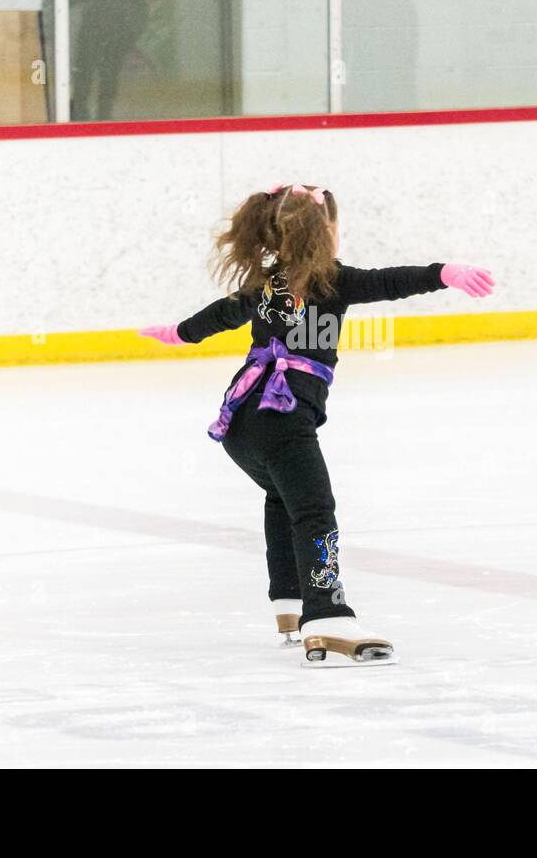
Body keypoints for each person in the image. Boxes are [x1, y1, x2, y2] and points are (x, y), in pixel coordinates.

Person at [139, 183, 495, 664]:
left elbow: (223, 314)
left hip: (241, 424)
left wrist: (181, 333)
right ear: (326, 231)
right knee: (314, 510)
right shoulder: (334, 280)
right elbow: (391, 282)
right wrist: (443, 273)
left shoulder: (267, 283)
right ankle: (326, 613)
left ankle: (288, 600)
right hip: (281, 421)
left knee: (283, 500)